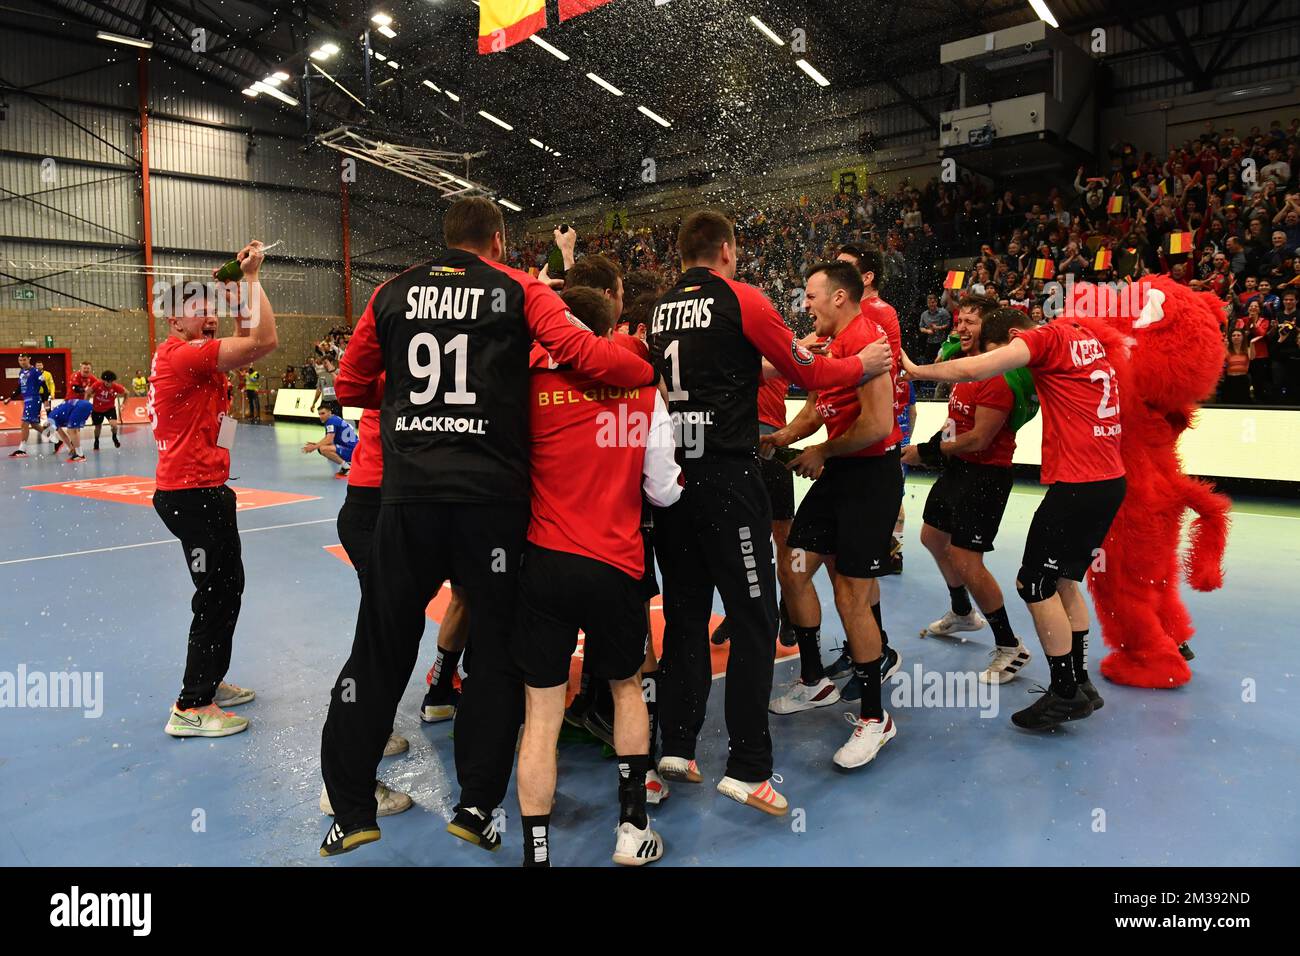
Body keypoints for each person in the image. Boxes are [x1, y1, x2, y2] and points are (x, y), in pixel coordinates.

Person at [318, 197, 658, 858]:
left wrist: (418, 404)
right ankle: (476, 807)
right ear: (497, 241)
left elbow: (351, 384)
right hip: (490, 505)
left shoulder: (391, 292)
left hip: (407, 500)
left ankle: (351, 809)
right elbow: (579, 352)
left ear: (442, 239)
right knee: (497, 654)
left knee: (378, 649)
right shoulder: (518, 289)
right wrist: (643, 372)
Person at [648, 212, 891, 815]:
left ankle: (676, 746)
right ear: (726, 250)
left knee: (684, 617)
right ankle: (750, 765)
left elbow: (711, 368)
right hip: (729, 479)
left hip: (672, 482)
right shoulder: (742, 298)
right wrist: (862, 366)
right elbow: (806, 372)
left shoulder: (658, 310)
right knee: (755, 617)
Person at [513, 287, 682, 867]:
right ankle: (632, 828)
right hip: (615, 565)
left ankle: (537, 854)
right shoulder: (640, 386)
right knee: (626, 687)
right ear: (610, 325)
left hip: (545, 562)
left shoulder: (528, 381)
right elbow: (662, 489)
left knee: (541, 711)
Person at [903, 306, 1126, 730]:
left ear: (1012, 335)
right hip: (1108, 480)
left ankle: (1063, 692)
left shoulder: (1043, 340)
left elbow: (980, 367)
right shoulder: (1084, 339)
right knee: (1062, 582)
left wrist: (916, 369)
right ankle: (1079, 682)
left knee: (1034, 582)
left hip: (1079, 483)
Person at [762, 262, 902, 769]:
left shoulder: (872, 341)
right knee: (793, 568)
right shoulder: (834, 347)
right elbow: (818, 407)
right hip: (840, 473)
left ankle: (873, 718)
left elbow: (878, 424)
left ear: (840, 297)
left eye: (811, 296)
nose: (806, 305)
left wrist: (823, 452)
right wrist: (783, 437)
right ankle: (815, 680)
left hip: (870, 478)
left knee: (850, 595)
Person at [152, 240, 278, 739]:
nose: (206, 315)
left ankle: (210, 679)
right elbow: (264, 341)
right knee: (216, 593)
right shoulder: (182, 357)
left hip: (204, 492)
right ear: (172, 322)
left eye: (209, 307)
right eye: (193, 309)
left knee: (226, 589)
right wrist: (249, 281)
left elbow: (248, 333)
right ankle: (191, 704)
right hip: (191, 495)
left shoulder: (199, 358)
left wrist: (247, 282)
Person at [904, 307, 1036, 685]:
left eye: (970, 323)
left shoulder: (995, 377)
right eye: (959, 320)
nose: (960, 327)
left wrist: (926, 455)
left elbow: (979, 438)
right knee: (932, 536)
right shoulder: (966, 369)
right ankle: (963, 612)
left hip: (986, 476)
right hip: (958, 469)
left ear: (989, 331)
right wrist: (928, 449)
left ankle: (1011, 646)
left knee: (967, 559)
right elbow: (955, 426)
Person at [4, 353, 49, 457]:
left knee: (24, 423)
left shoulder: (36, 371)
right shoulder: (21, 372)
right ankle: (55, 439)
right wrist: (11, 398)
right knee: (34, 425)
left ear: (29, 359)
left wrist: (45, 400)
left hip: (34, 399)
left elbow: (44, 386)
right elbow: (20, 388)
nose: (22, 362)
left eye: (24, 360)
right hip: (27, 400)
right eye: (20, 360)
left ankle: (22, 449)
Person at [301, 406, 356, 478]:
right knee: (321, 447)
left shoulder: (331, 422)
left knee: (323, 449)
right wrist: (317, 444)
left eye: (323, 413)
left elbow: (329, 440)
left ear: (330, 412)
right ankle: (347, 464)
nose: (321, 416)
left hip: (352, 450)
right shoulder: (335, 418)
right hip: (353, 449)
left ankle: (348, 467)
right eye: (319, 414)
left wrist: (314, 447)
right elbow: (329, 439)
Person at [44, 397, 93, 461]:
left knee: (71, 431)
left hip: (79, 407)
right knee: (74, 430)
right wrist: (71, 447)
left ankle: (80, 455)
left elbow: (63, 435)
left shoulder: (51, 419)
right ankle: (78, 453)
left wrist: (70, 447)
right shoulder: (53, 416)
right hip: (84, 404)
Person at [88, 370, 126, 450]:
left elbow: (127, 393)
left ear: (112, 381)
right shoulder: (97, 384)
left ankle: (114, 437)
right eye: (105, 381)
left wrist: (124, 403)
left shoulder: (116, 387)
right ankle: (96, 440)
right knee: (98, 427)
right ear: (103, 380)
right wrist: (86, 403)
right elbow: (88, 392)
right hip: (97, 409)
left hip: (109, 409)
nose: (107, 383)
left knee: (114, 425)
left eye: (109, 382)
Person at [1221, 328, 1253, 403]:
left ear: (1242, 337)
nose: (1236, 337)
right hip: (1230, 380)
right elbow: (1221, 361)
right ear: (1231, 338)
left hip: (1243, 379)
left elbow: (1252, 357)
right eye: (1233, 335)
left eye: (1238, 335)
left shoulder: (1247, 349)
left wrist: (1251, 343)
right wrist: (1224, 347)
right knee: (1229, 402)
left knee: (1243, 403)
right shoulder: (1227, 349)